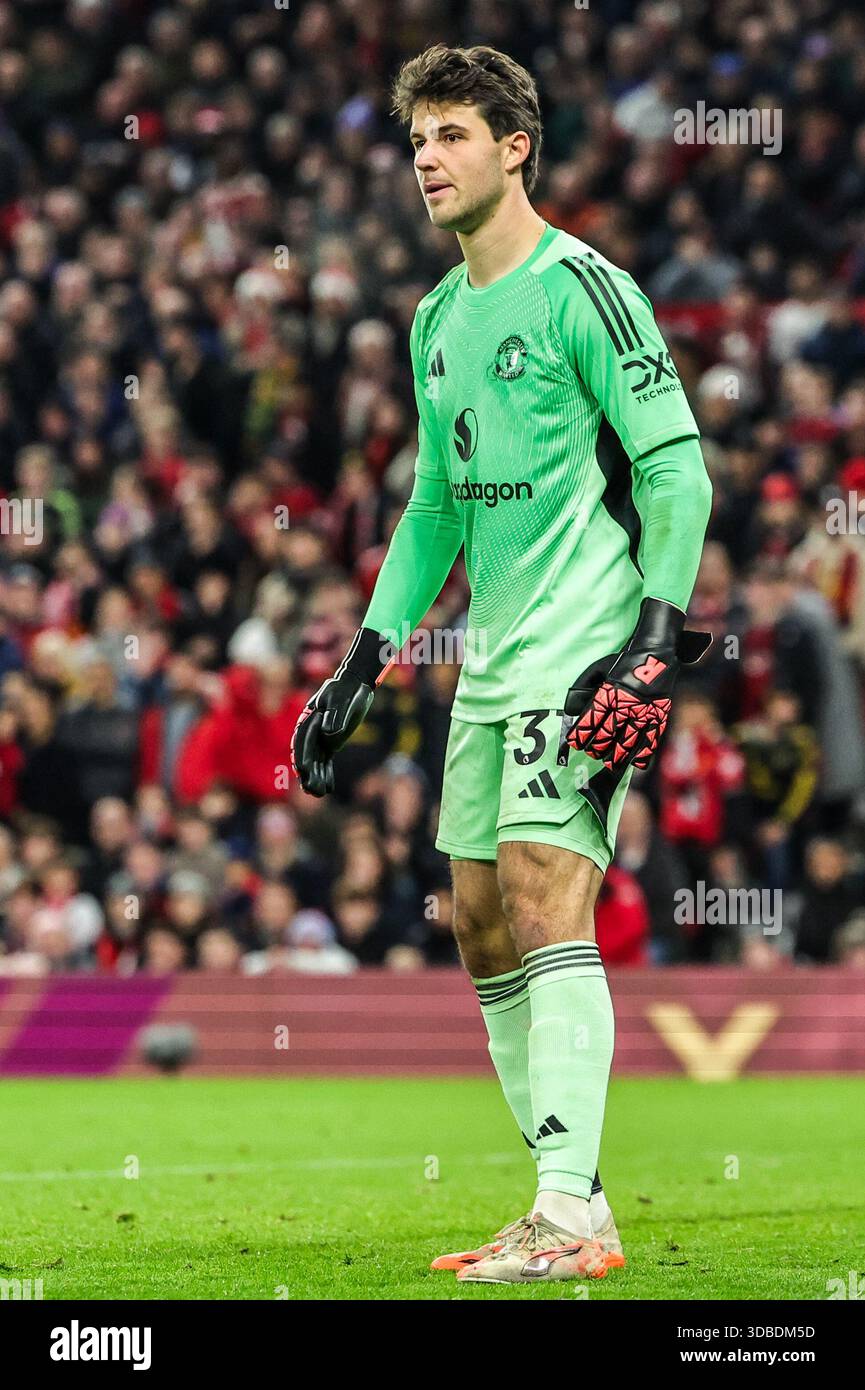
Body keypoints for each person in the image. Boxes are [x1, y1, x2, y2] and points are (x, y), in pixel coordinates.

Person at [291, 44, 712, 1285]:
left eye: (452, 134)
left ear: (514, 145)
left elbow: (674, 467)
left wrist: (648, 645)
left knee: (541, 893)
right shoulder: (435, 316)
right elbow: (431, 509)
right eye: (416, 137)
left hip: (581, 647)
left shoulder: (586, 287)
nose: (426, 156)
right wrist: (366, 655)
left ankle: (568, 1208)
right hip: (488, 659)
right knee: (478, 924)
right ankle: (566, 1197)